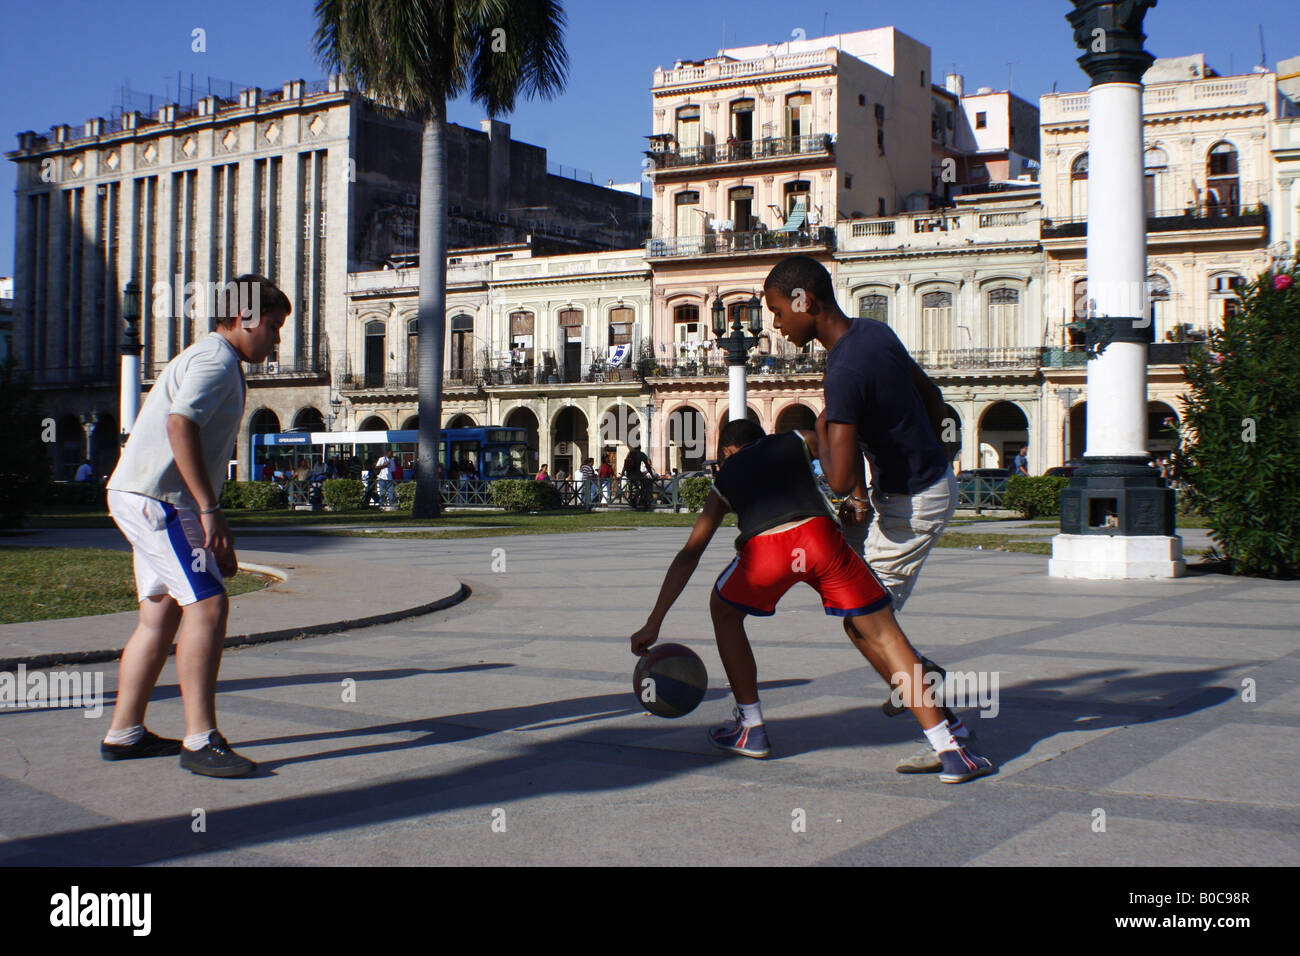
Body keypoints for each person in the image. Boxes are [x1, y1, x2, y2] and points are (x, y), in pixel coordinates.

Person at [629, 419, 992, 783]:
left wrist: (654, 621)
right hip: (821, 540)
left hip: (766, 553)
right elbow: (843, 448)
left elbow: (690, 553)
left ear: (726, 450)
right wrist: (857, 497)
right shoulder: (795, 440)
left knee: (724, 611)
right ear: (764, 437)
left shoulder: (724, 478)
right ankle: (949, 747)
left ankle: (750, 727)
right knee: (884, 634)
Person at [763, 255, 981, 774]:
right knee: (858, 617)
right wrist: (913, 447)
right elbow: (933, 398)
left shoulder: (842, 371)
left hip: (913, 501)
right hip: (915, 488)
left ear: (804, 302)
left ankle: (946, 732)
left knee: (866, 618)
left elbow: (838, 479)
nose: (775, 325)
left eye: (776, 312)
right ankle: (922, 689)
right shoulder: (874, 334)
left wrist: (816, 435)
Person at [102, 274, 290, 778]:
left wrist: (207, 524)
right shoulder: (214, 361)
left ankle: (124, 733)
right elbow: (178, 424)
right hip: (157, 499)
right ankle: (200, 740)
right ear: (245, 319)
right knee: (207, 604)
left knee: (160, 613)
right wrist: (209, 510)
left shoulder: (209, 356)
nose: (276, 339)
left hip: (149, 496)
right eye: (273, 326)